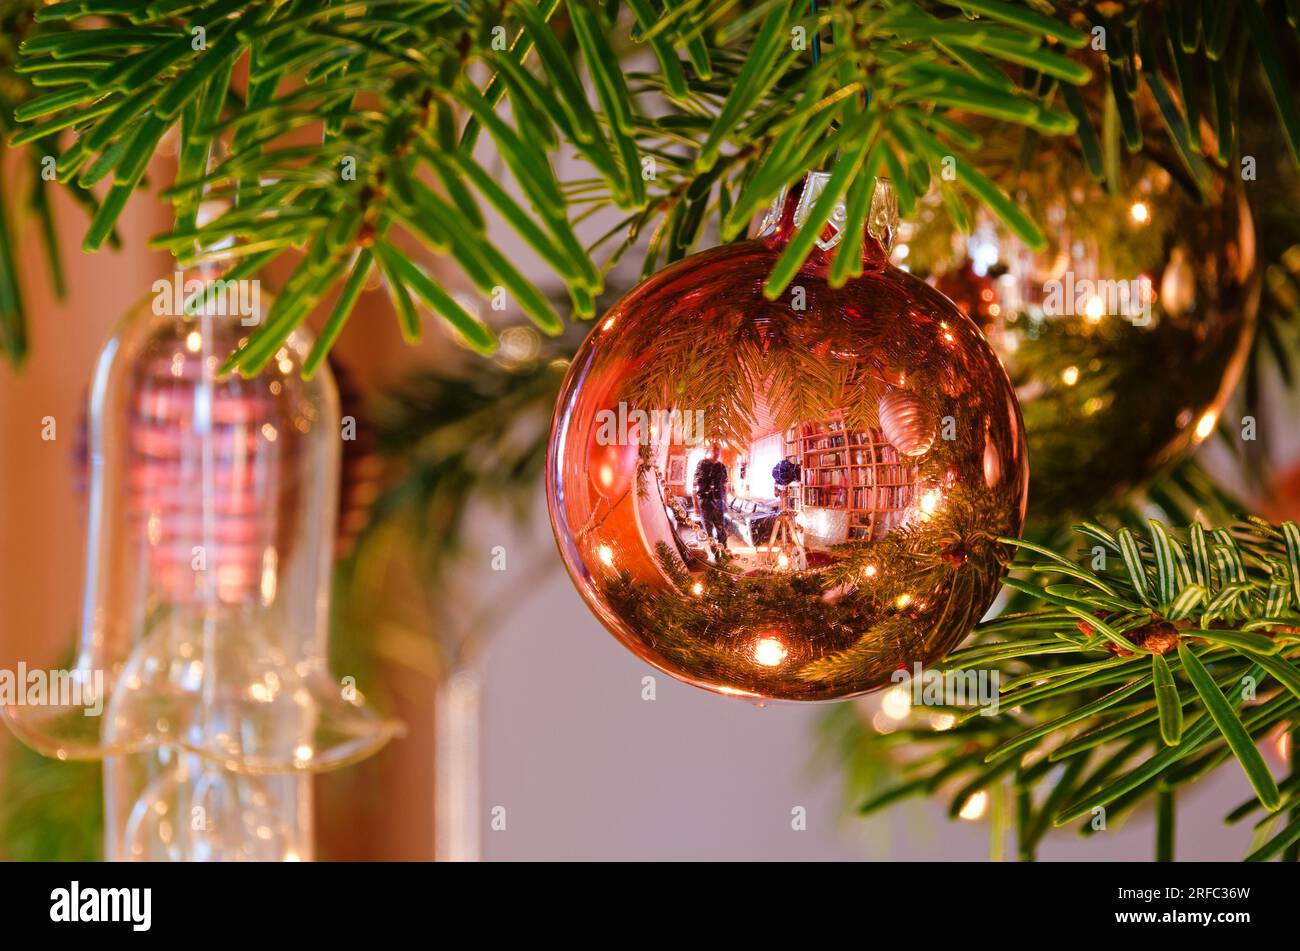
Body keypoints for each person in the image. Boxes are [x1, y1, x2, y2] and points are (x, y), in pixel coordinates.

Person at [693, 445, 730, 551]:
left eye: (718, 449)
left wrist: (726, 502)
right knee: (708, 530)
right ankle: (714, 553)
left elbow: (724, 486)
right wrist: (695, 504)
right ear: (709, 450)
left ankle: (724, 551)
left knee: (721, 529)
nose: (716, 452)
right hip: (705, 502)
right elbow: (694, 484)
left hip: (719, 501)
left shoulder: (722, 466)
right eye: (714, 449)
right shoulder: (702, 464)